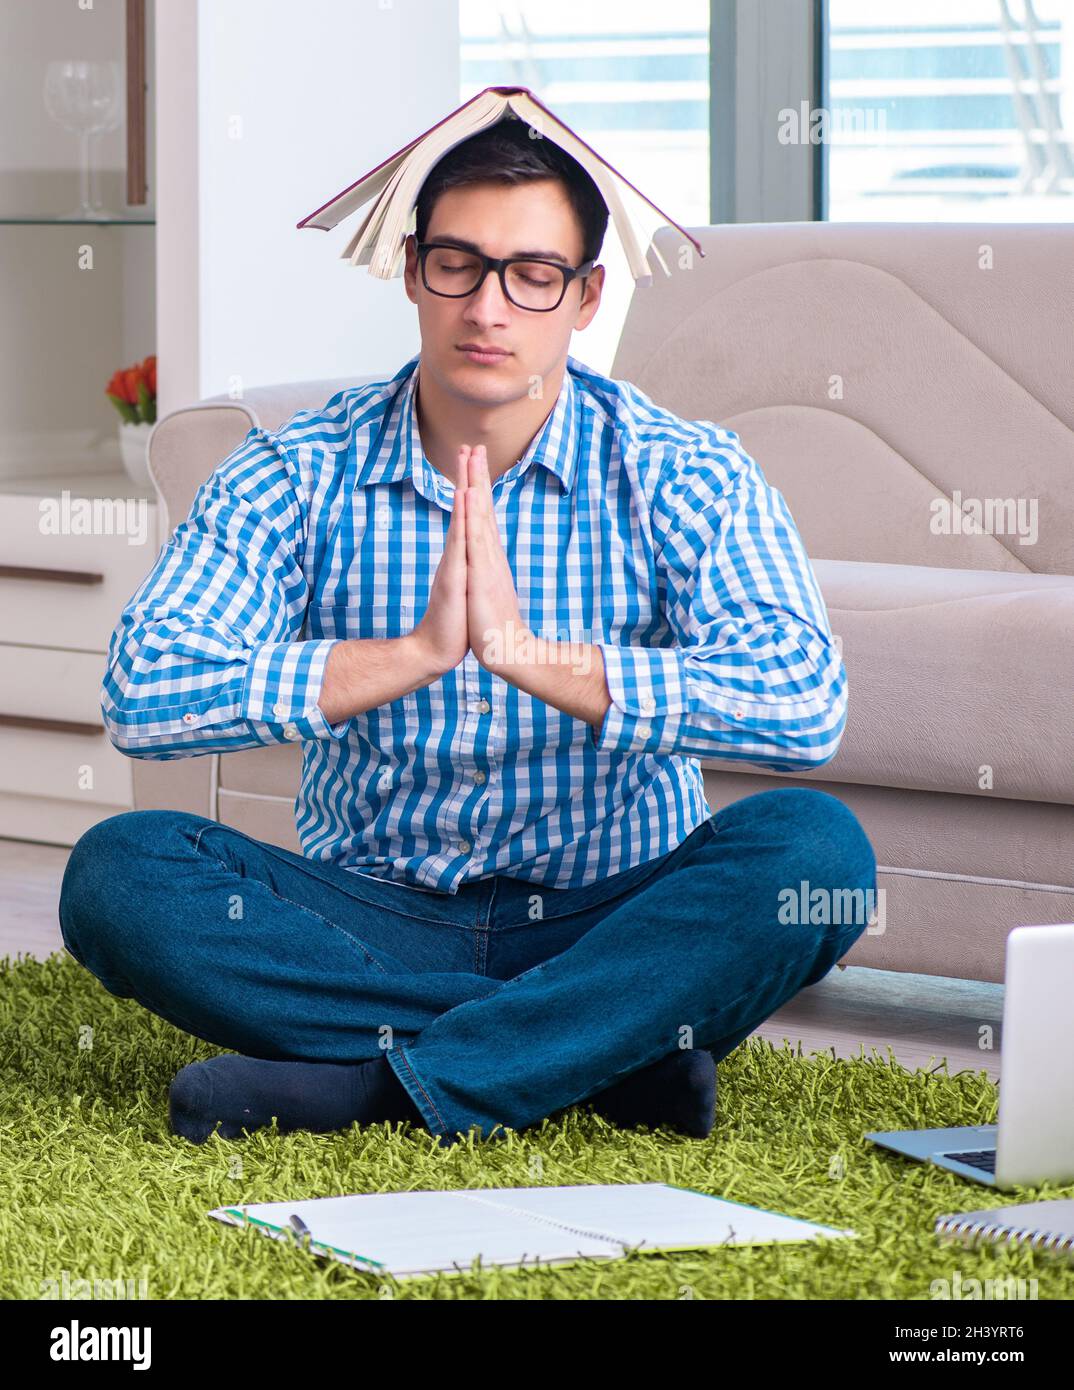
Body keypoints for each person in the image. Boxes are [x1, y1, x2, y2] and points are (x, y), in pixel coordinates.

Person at [58, 119, 877, 1148]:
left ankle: (377, 1086)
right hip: (371, 921)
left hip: (606, 918)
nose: (488, 307)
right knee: (118, 872)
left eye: (532, 274)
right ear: (412, 272)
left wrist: (538, 660)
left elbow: (804, 701)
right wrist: (405, 658)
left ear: (585, 297)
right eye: (459, 265)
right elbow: (144, 689)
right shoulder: (294, 470)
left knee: (818, 853)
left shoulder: (683, 468)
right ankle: (593, 1062)